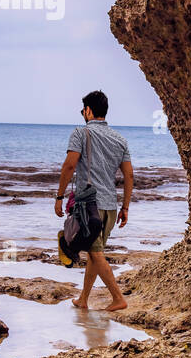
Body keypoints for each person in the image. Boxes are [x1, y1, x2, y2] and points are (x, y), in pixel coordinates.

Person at [54, 90, 133, 311]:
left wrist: (59, 197)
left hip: (89, 207)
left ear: (88, 110)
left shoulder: (80, 133)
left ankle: (118, 299)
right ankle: (83, 299)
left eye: (83, 110)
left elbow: (69, 165)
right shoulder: (120, 140)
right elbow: (129, 176)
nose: (82, 114)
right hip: (109, 207)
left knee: (95, 253)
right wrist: (125, 206)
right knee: (93, 253)